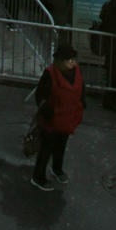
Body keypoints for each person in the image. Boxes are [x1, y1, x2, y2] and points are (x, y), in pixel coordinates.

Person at [31, 39, 85, 190]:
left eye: (73, 59)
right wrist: (48, 111)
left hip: (67, 118)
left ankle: (57, 169)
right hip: (52, 119)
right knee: (46, 148)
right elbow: (40, 95)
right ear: (61, 61)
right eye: (69, 60)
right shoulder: (50, 74)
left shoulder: (76, 71)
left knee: (61, 145)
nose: (72, 62)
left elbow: (81, 88)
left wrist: (82, 104)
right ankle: (38, 177)